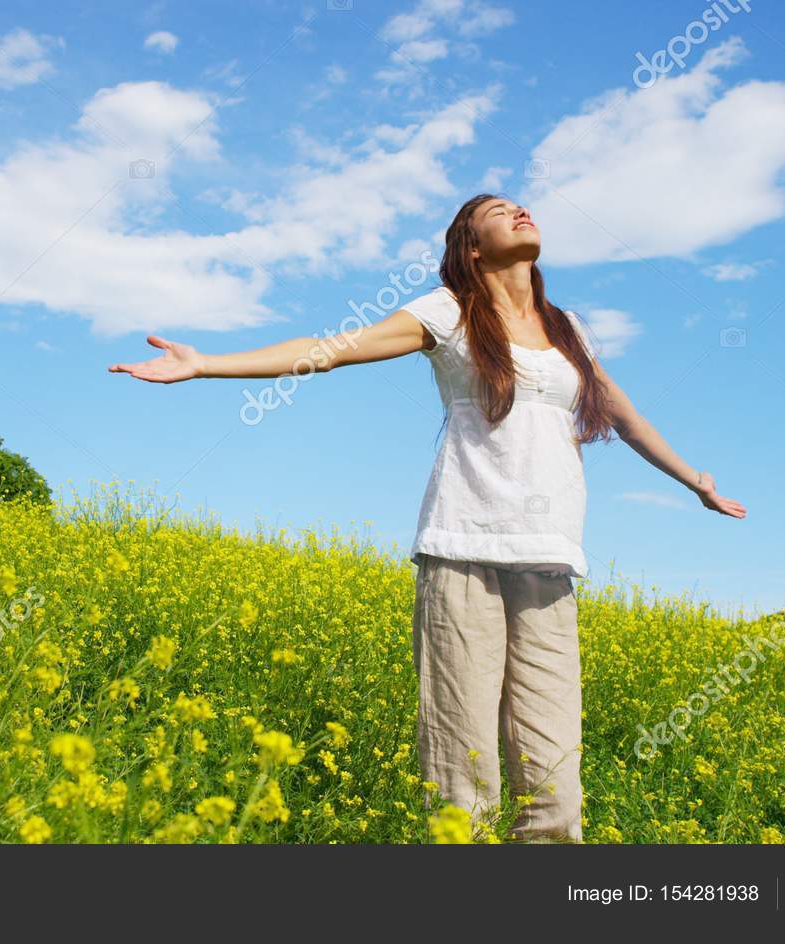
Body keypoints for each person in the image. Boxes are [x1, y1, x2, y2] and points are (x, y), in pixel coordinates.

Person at [108, 193, 747, 841]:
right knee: (462, 769)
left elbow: (622, 413)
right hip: (462, 550)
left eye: (523, 206)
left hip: (550, 563)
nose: (521, 212)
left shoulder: (567, 329)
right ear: (471, 247)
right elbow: (334, 348)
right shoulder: (450, 313)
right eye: (499, 211)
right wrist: (206, 364)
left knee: (554, 778)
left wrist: (694, 480)